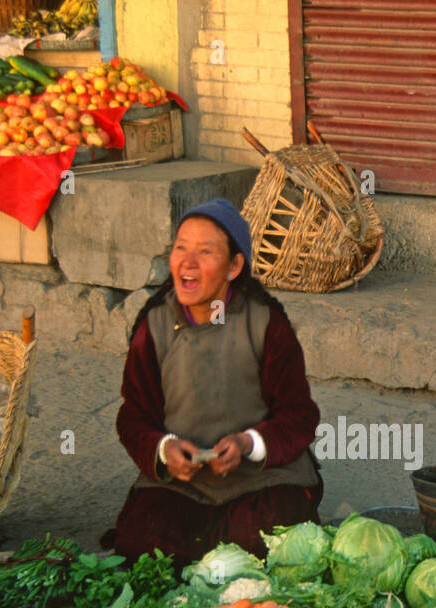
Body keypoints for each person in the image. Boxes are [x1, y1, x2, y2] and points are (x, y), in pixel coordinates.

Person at [109, 198, 322, 568]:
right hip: (182, 482)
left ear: (234, 266)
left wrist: (247, 443)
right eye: (180, 248)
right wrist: (163, 450)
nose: (187, 263)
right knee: (144, 541)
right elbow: (133, 417)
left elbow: (299, 416)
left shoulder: (265, 323)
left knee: (267, 538)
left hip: (261, 477)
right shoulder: (155, 325)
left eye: (205, 252)